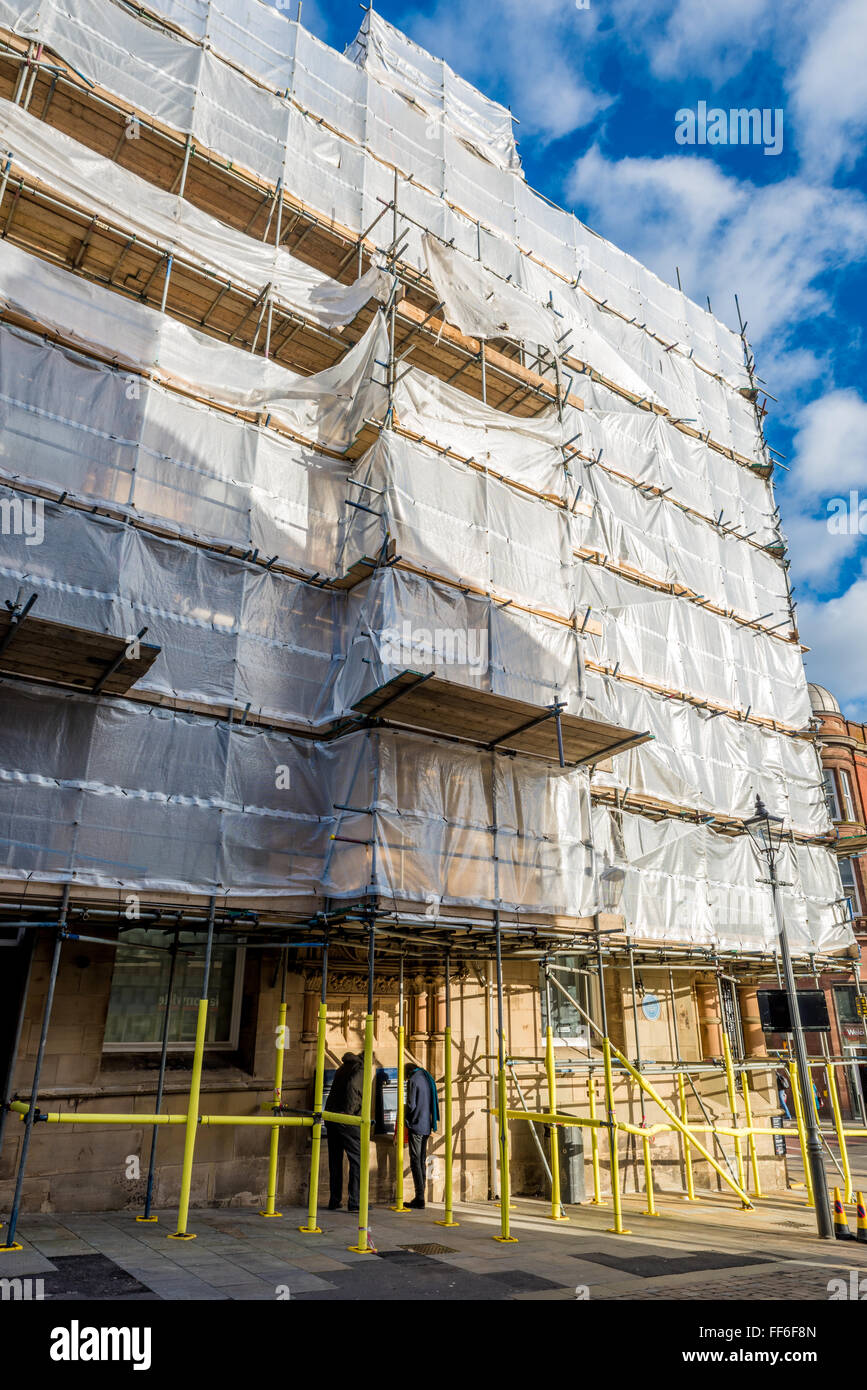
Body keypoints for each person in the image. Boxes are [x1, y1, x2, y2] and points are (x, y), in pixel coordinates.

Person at [325, 1052, 364, 1211]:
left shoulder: (342, 1067)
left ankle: (334, 1200)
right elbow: (353, 1089)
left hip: (332, 1117)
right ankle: (355, 1202)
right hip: (346, 1119)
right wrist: (349, 1114)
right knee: (358, 1160)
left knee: (335, 1160)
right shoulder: (360, 1068)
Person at [404, 1064, 439, 1209]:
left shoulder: (413, 1079)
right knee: (421, 1160)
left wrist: (404, 1117)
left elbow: (411, 1105)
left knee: (415, 1161)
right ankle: (420, 1196)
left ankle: (419, 1198)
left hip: (416, 1125)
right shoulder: (425, 1076)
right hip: (426, 1124)